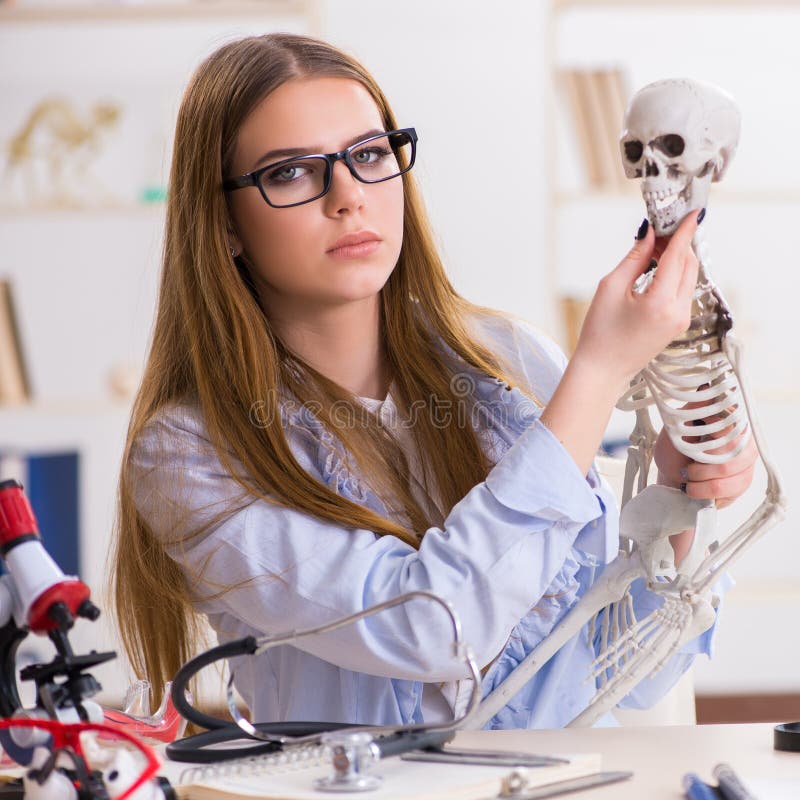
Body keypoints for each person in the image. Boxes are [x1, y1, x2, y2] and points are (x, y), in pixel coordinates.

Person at [110, 32, 757, 729]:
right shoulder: (189, 453)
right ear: (224, 223)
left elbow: (623, 667)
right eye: (292, 172)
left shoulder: (503, 360)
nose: (349, 197)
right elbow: (434, 625)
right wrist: (600, 372)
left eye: (367, 155)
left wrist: (672, 505)